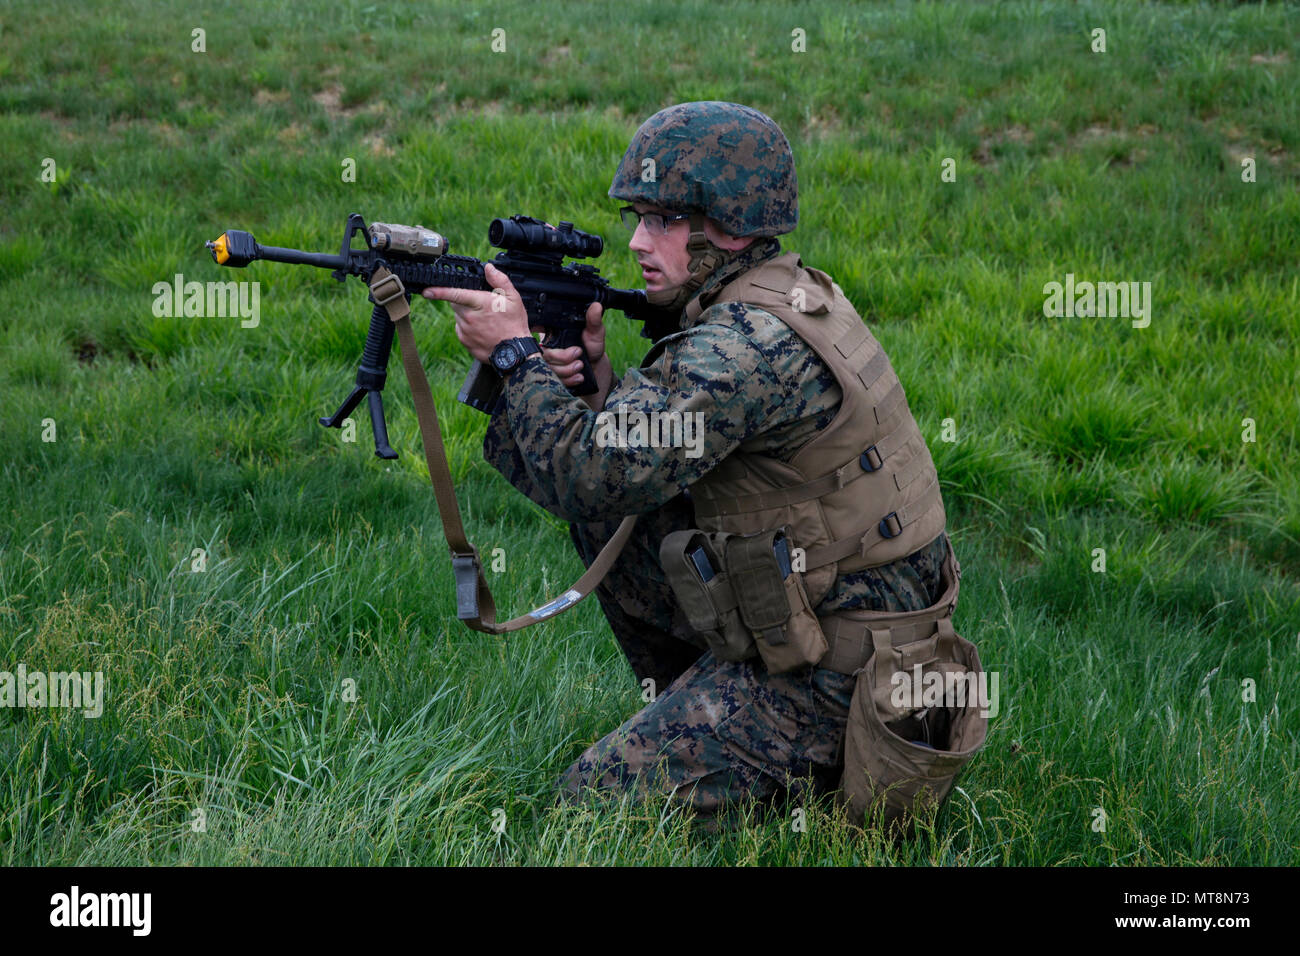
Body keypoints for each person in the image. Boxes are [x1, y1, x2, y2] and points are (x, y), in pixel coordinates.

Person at [423, 101, 955, 822]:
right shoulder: (779, 293)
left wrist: (516, 357)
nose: (640, 242)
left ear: (728, 227)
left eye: (665, 220)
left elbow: (590, 471)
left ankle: (787, 769)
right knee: (624, 516)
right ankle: (699, 712)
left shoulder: (741, 347)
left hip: (845, 669)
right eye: (638, 217)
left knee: (592, 810)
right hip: (831, 620)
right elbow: (629, 472)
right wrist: (592, 385)